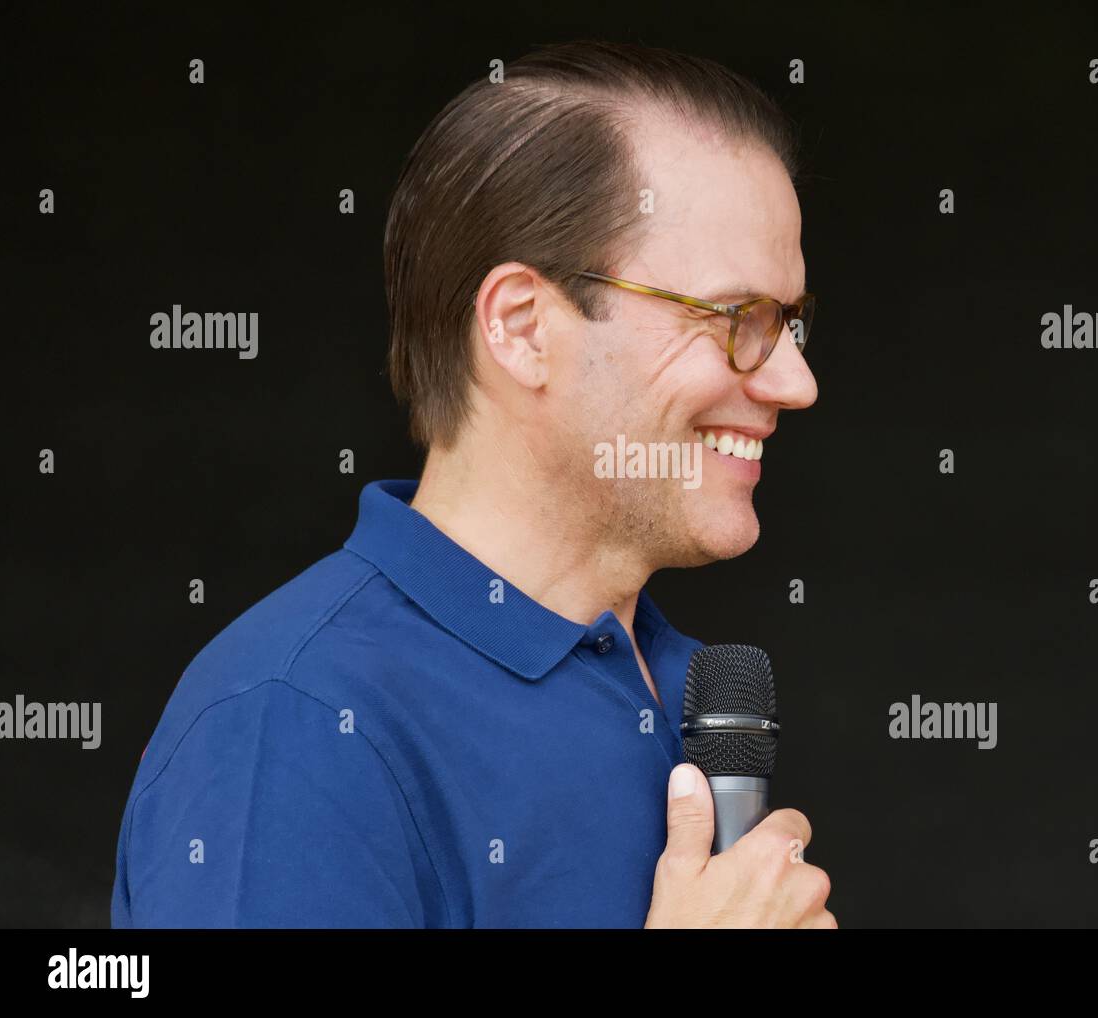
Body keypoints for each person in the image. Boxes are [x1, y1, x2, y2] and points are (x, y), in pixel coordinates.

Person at [110, 39, 830, 929]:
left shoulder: (686, 690)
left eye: (791, 322)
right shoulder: (294, 724)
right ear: (524, 328)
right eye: (738, 319)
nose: (795, 383)